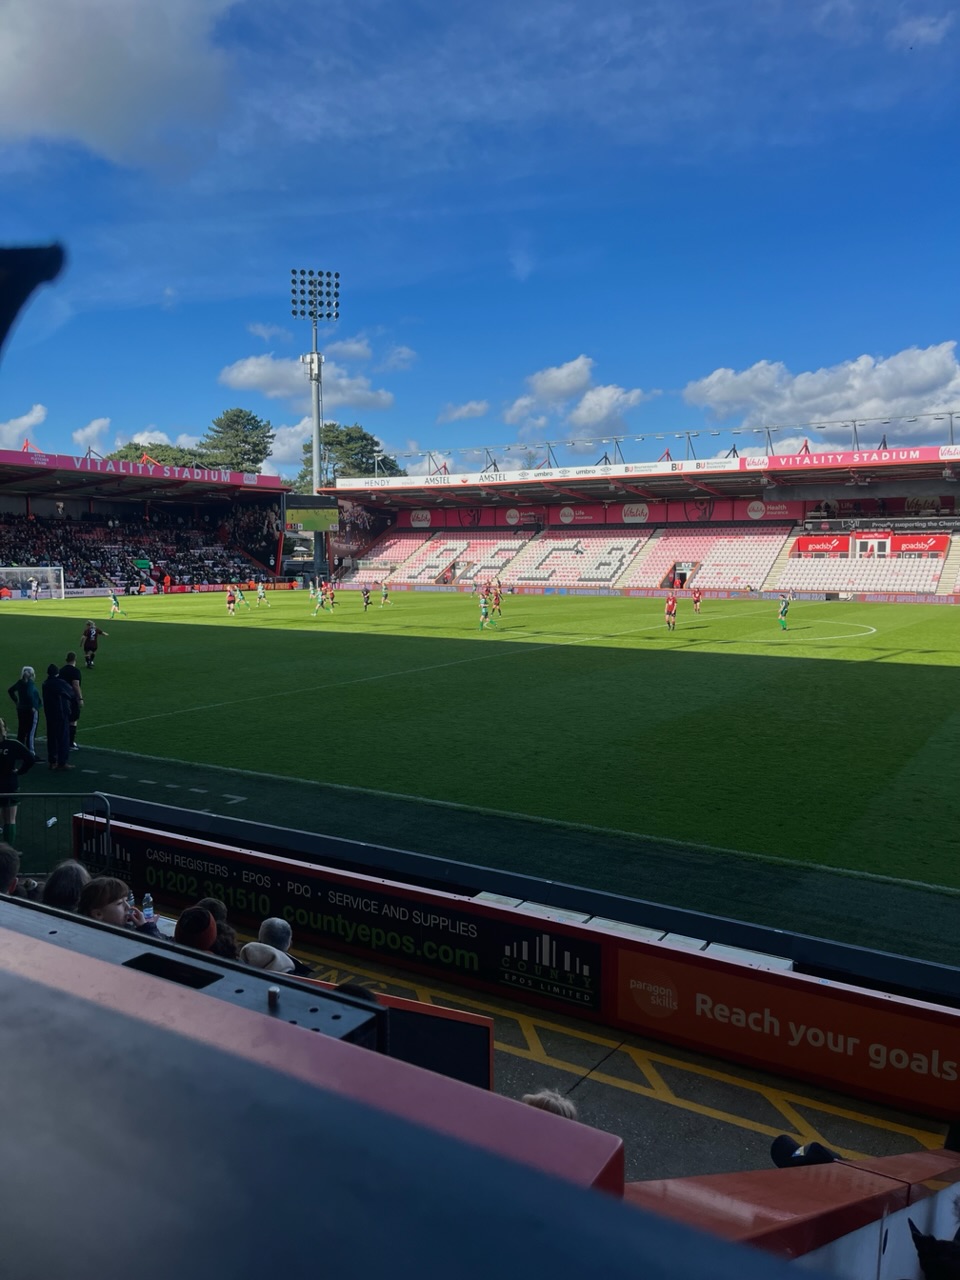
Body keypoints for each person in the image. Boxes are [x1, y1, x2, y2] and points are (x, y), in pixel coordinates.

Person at [77, 877, 163, 937]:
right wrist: (147, 928)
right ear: (98, 914)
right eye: (119, 903)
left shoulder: (127, 929)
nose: (128, 906)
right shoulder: (121, 938)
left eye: (126, 900)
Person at [0, 717, 35, 845]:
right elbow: (30, 759)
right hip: (10, 785)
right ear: (4, 729)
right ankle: (7, 850)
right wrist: (20, 771)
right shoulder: (12, 744)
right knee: (10, 819)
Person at [41, 664, 75, 771]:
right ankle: (62, 762)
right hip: (60, 714)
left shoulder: (45, 683)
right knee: (63, 738)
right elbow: (70, 692)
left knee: (51, 737)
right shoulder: (59, 683)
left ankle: (52, 761)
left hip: (49, 714)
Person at [7, 665, 41, 752]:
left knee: (21, 730)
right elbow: (30, 695)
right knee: (31, 731)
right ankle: (31, 752)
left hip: (21, 709)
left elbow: (10, 690)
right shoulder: (29, 684)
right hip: (30, 710)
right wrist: (33, 706)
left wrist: (16, 701)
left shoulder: (20, 682)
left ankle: (19, 751)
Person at [59, 651, 84, 751]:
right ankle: (70, 743)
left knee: (64, 720)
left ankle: (62, 741)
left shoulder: (61, 670)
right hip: (72, 699)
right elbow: (76, 685)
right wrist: (80, 698)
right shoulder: (75, 671)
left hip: (62, 698)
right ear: (74, 660)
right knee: (73, 721)